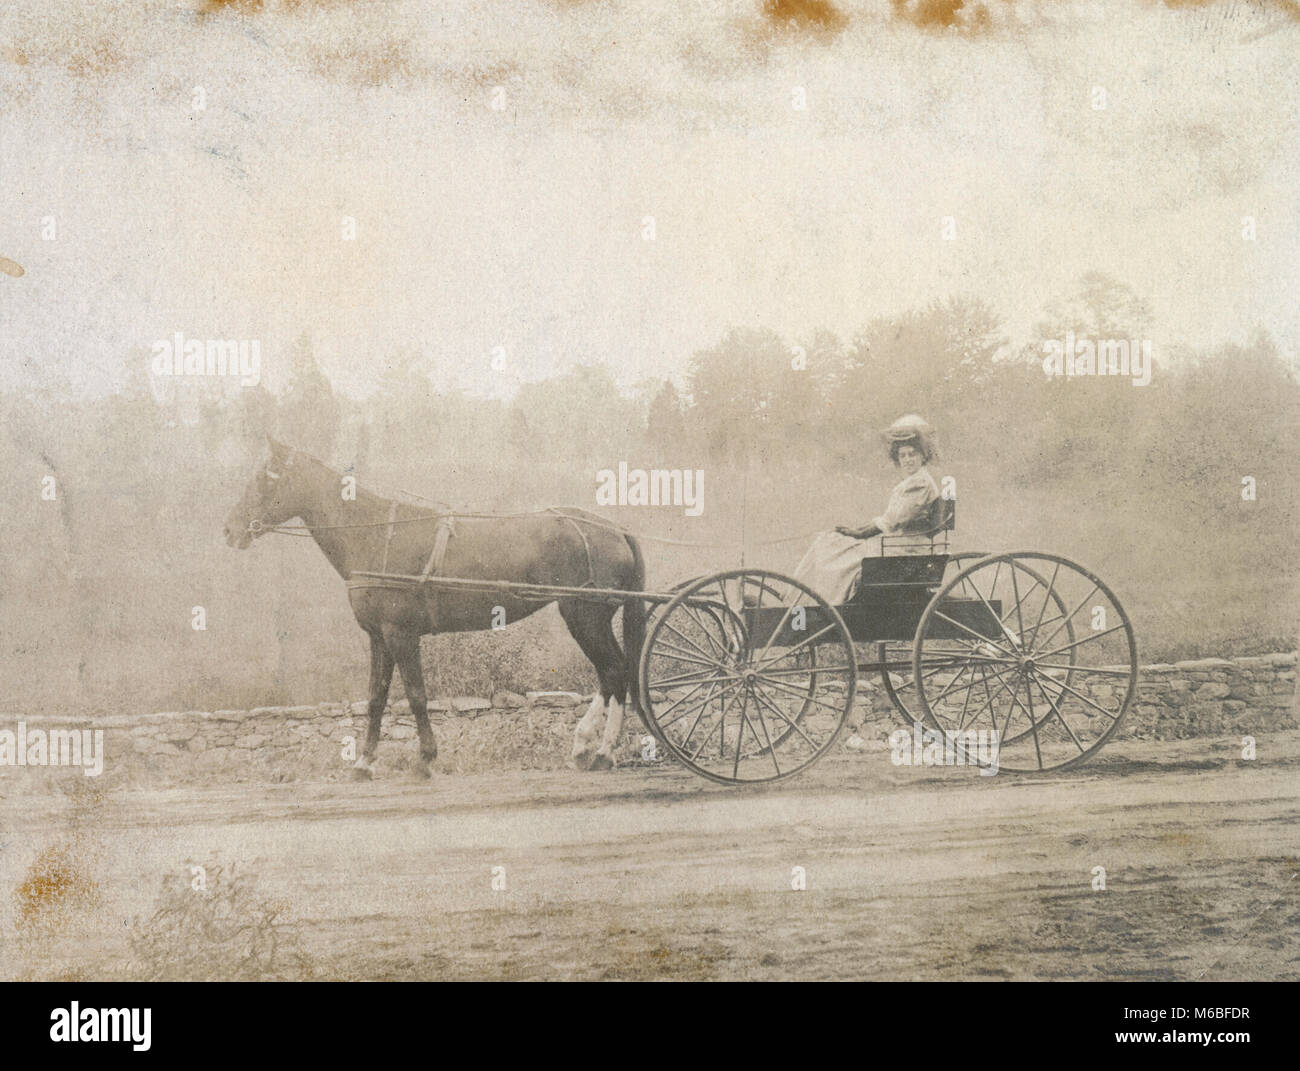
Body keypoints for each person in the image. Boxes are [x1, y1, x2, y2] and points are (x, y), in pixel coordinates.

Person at [790, 414, 941, 605]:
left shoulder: (919, 484)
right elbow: (888, 519)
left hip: (905, 551)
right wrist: (856, 532)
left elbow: (891, 521)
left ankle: (823, 603)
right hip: (898, 545)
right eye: (903, 455)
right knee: (828, 542)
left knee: (835, 554)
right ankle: (804, 598)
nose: (908, 459)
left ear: (923, 456)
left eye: (913, 454)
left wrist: (858, 533)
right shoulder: (913, 482)